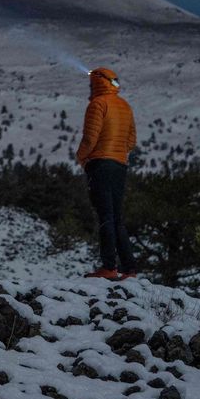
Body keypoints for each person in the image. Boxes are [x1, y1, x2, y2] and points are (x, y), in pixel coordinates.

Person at [74, 66, 137, 280]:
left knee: (105, 217)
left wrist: (81, 157)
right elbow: (131, 141)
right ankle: (129, 269)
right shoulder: (125, 106)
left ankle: (109, 267)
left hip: (100, 164)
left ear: (98, 83)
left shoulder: (97, 104)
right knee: (117, 218)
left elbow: (90, 139)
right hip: (120, 166)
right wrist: (118, 152)